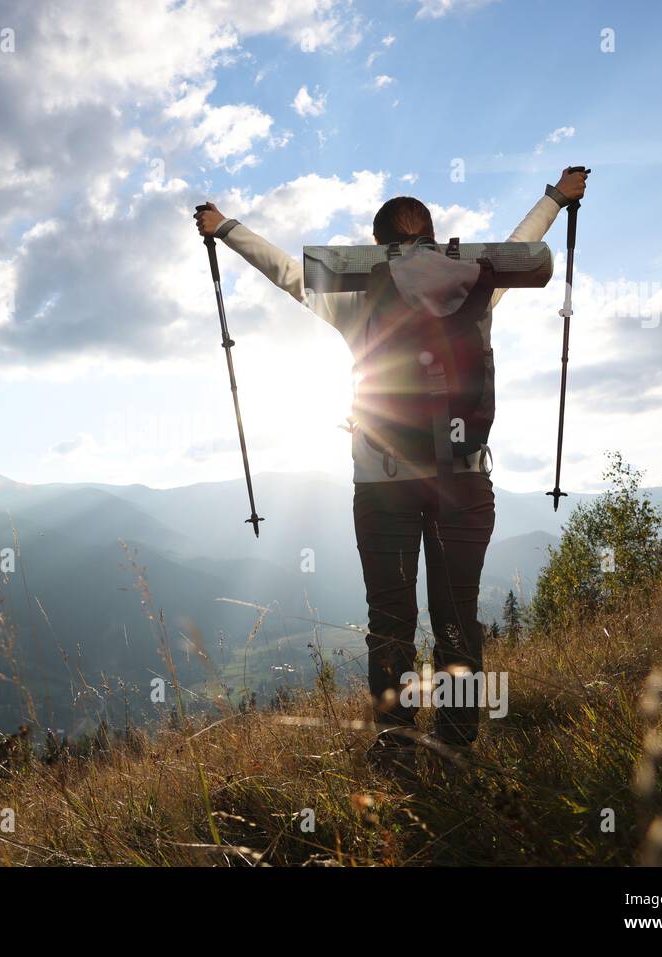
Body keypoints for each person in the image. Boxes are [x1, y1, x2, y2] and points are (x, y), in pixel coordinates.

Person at [194, 167, 590, 767]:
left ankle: (398, 745)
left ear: (379, 246)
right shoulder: (476, 286)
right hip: (464, 480)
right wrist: (557, 198)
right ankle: (457, 747)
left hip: (383, 485)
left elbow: (285, 274)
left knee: (391, 620)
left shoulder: (358, 296)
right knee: (458, 616)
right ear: (435, 236)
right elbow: (522, 237)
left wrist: (224, 228)